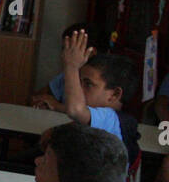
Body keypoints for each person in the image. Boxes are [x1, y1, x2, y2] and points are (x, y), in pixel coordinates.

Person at [59, 31, 140, 167]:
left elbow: (75, 110)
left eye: (88, 84)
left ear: (114, 95)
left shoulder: (111, 118)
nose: (79, 88)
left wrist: (71, 66)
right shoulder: (99, 118)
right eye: (79, 82)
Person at [29, 22, 89, 111]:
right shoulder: (64, 77)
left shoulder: (97, 82)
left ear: (91, 53)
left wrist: (56, 105)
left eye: (69, 50)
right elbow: (35, 98)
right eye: (63, 49)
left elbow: (82, 112)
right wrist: (44, 102)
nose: (63, 55)